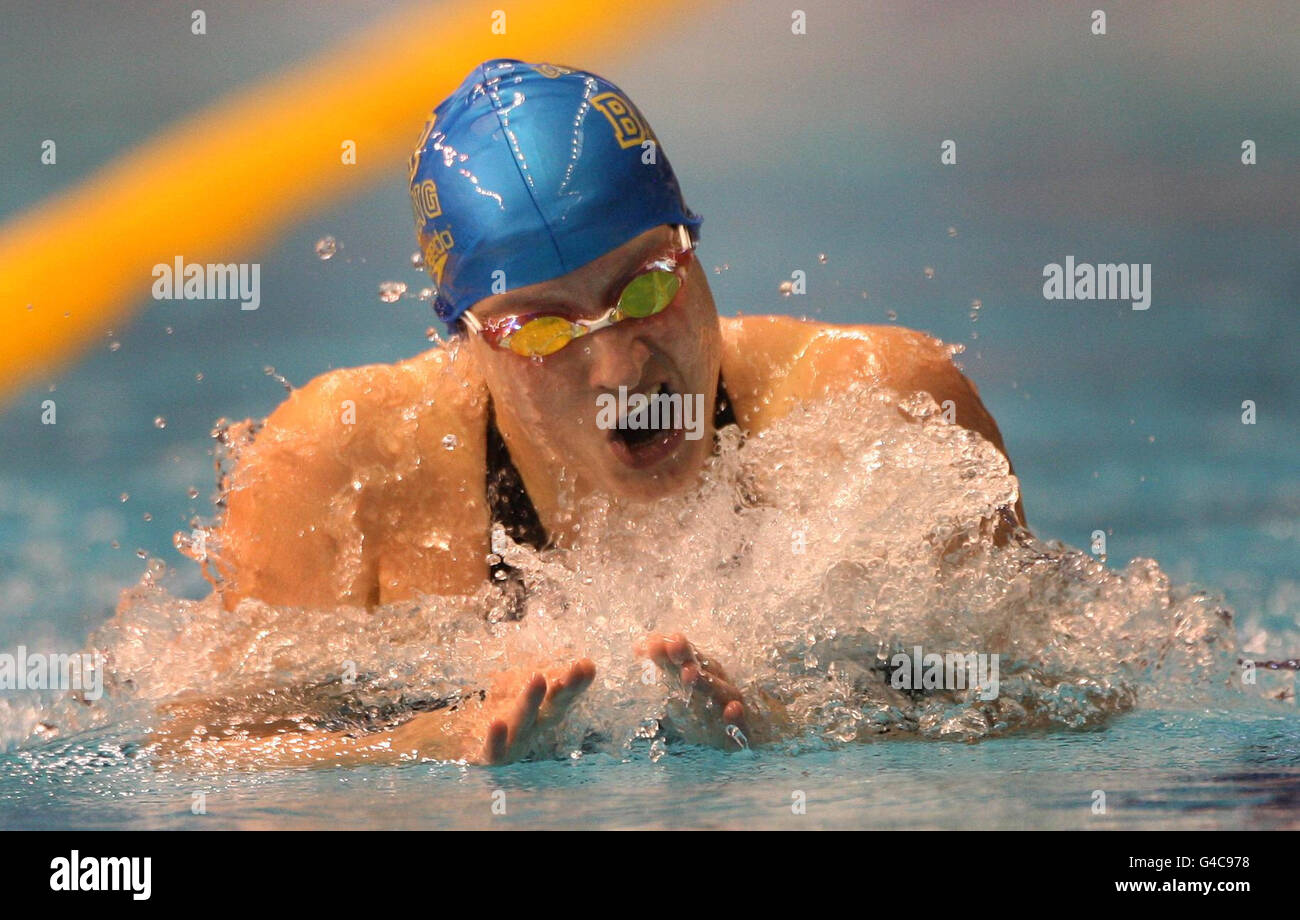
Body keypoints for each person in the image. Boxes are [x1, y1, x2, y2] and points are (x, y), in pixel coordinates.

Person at [181, 59, 1025, 766]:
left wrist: (809, 728)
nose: (620, 367)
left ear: (690, 245)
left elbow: (1052, 690)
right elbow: (208, 751)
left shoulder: (877, 403)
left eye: (649, 283)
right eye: (544, 329)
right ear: (465, 342)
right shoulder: (345, 473)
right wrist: (443, 741)